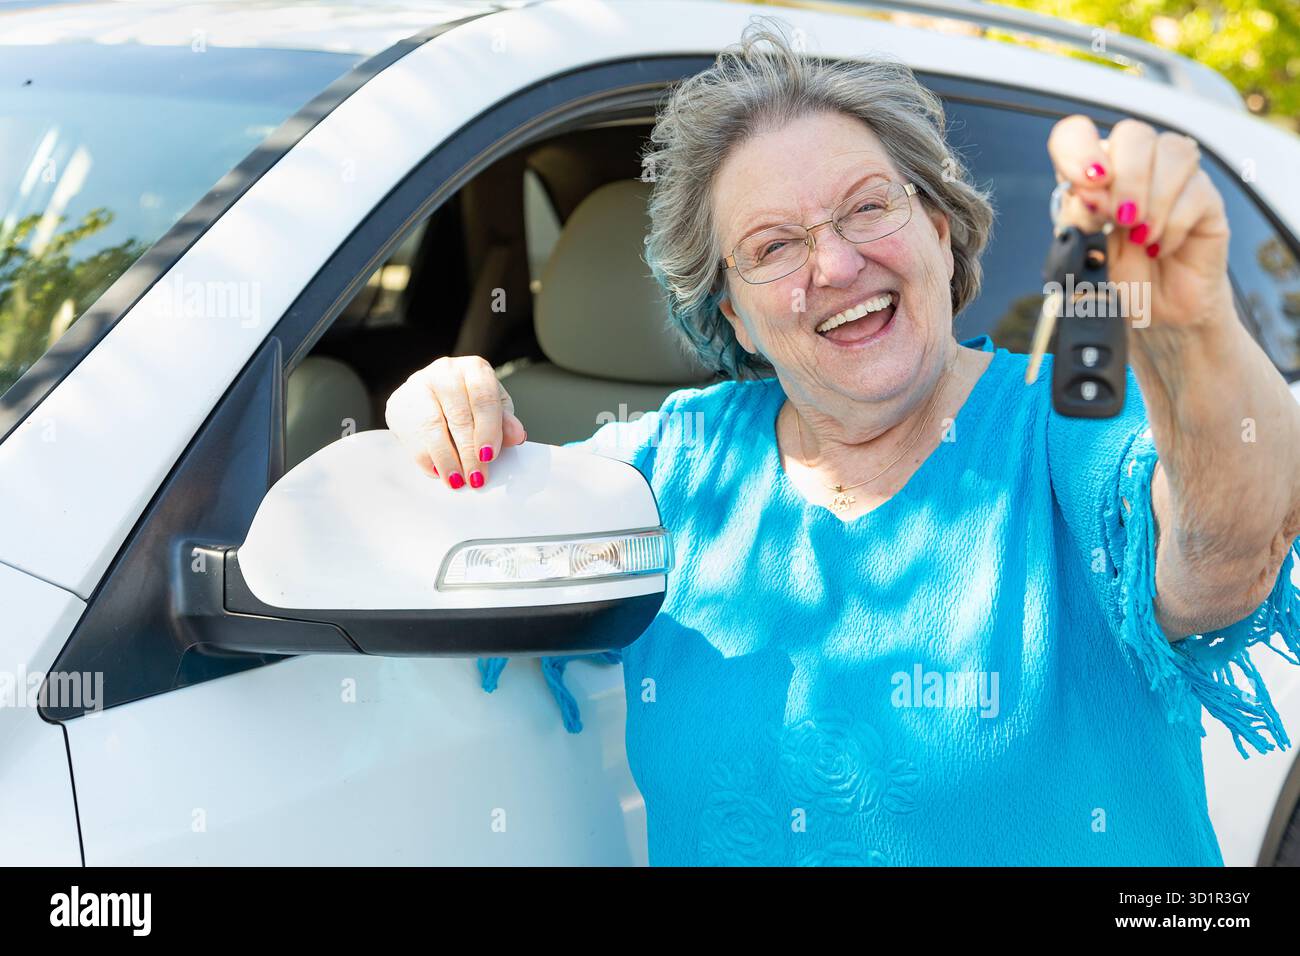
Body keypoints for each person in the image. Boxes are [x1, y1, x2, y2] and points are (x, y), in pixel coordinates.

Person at [383, 17, 1300, 865]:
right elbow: (453, 535)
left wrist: (1195, 329)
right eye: (773, 247)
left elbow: (1222, 560)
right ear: (733, 313)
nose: (833, 264)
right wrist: (435, 427)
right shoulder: (671, 471)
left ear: (941, 232)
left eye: (869, 208)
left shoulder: (1064, 423)